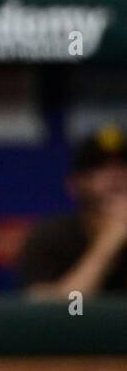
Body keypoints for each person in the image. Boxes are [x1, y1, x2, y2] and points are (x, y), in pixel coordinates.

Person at [22, 125, 127, 297]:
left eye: (123, 166)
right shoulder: (50, 238)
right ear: (74, 185)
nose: (115, 176)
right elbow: (64, 314)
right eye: (98, 168)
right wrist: (108, 244)